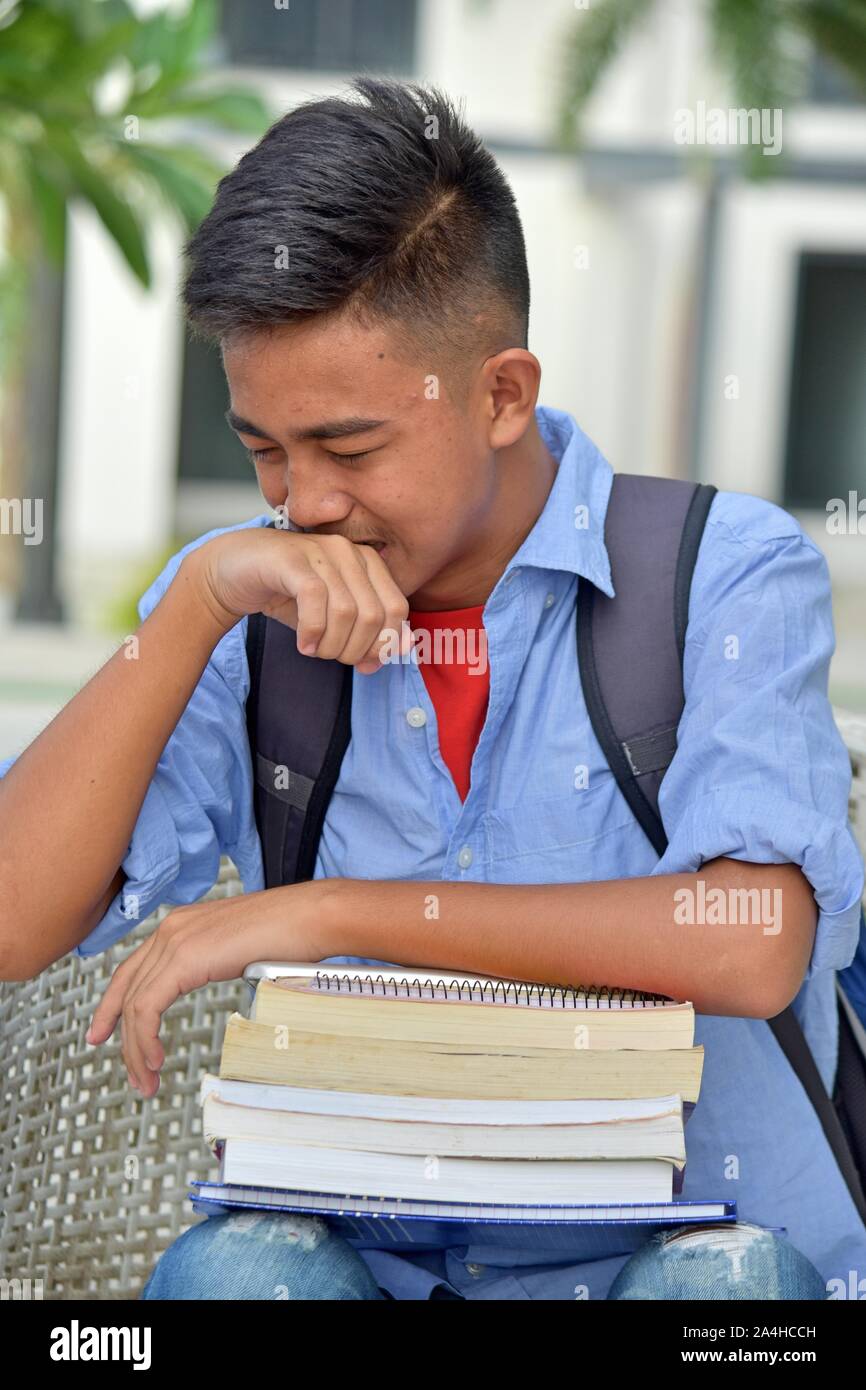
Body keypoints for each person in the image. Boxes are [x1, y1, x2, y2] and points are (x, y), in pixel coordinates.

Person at [1, 78, 862, 1302]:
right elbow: (12, 914)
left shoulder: (722, 573)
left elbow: (754, 942)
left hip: (683, 1255)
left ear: (499, 394)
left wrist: (331, 913)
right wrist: (195, 600)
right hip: (367, 1264)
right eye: (260, 451)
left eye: (347, 448)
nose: (299, 502)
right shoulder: (252, 605)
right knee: (236, 1280)